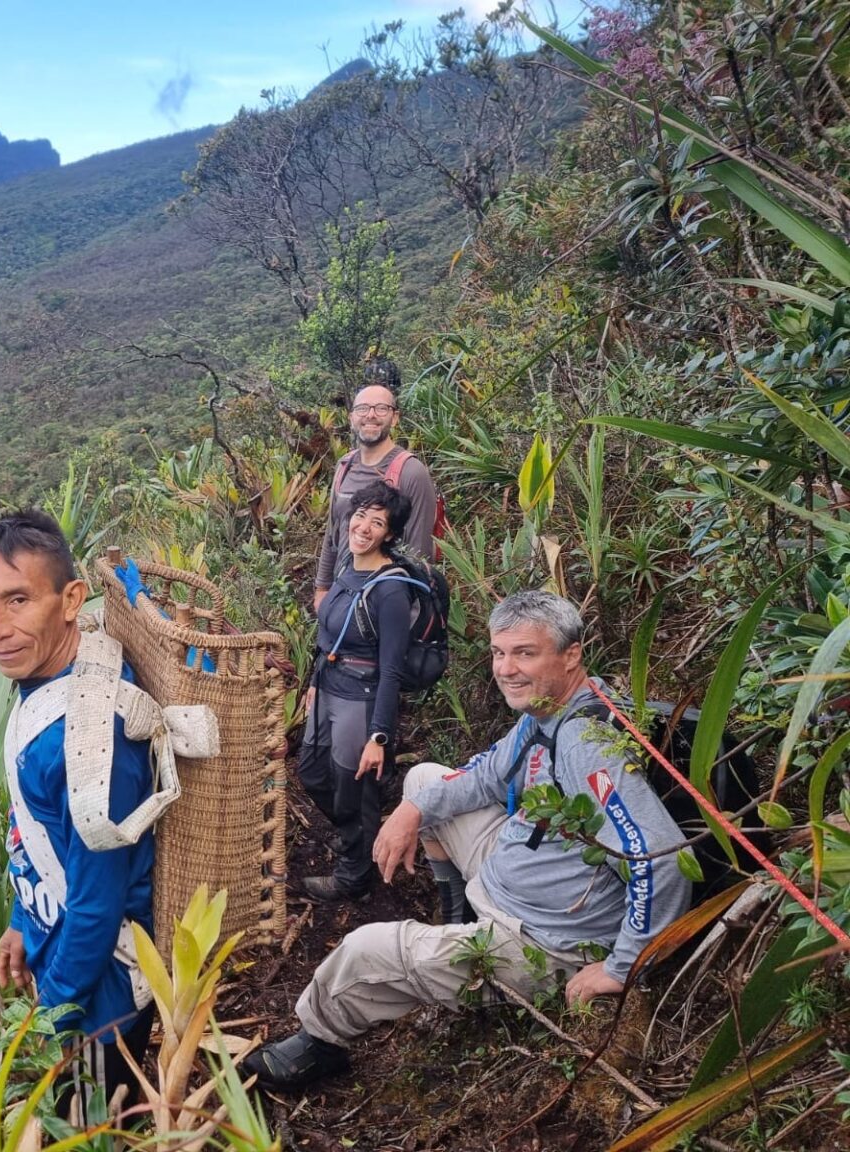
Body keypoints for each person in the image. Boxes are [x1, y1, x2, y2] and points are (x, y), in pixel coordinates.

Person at [247, 591, 691, 1091]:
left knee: (363, 950)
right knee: (424, 782)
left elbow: (663, 858)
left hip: (544, 938)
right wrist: (411, 811)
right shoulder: (548, 713)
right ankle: (458, 918)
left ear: (571, 655)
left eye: (525, 653)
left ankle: (319, 1042)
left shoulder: (587, 743)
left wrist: (621, 966)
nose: (507, 668)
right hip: (520, 872)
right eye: (500, 653)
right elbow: (484, 776)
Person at [0, 509, 156, 1113]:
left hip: (99, 1000)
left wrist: (55, 1020)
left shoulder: (89, 744)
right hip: (65, 956)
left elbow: (98, 904)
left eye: (17, 600)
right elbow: (44, 835)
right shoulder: (49, 682)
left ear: (71, 599)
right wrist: (25, 920)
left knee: (90, 1124)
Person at [299, 480, 414, 902]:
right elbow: (328, 635)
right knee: (311, 771)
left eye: (377, 521)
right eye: (360, 514)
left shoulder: (391, 590)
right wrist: (314, 683)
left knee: (353, 786)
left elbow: (391, 669)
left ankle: (354, 876)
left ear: (390, 534)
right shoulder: (349, 566)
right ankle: (358, 839)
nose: (363, 526)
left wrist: (379, 736)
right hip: (329, 688)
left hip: (360, 700)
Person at [313, 358, 440, 615]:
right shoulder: (344, 466)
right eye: (362, 409)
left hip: (383, 606)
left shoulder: (410, 472)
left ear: (394, 418)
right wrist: (322, 590)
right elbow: (333, 535)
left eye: (381, 409)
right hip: (341, 597)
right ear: (351, 418)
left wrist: (405, 616)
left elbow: (419, 554)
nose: (370, 415)